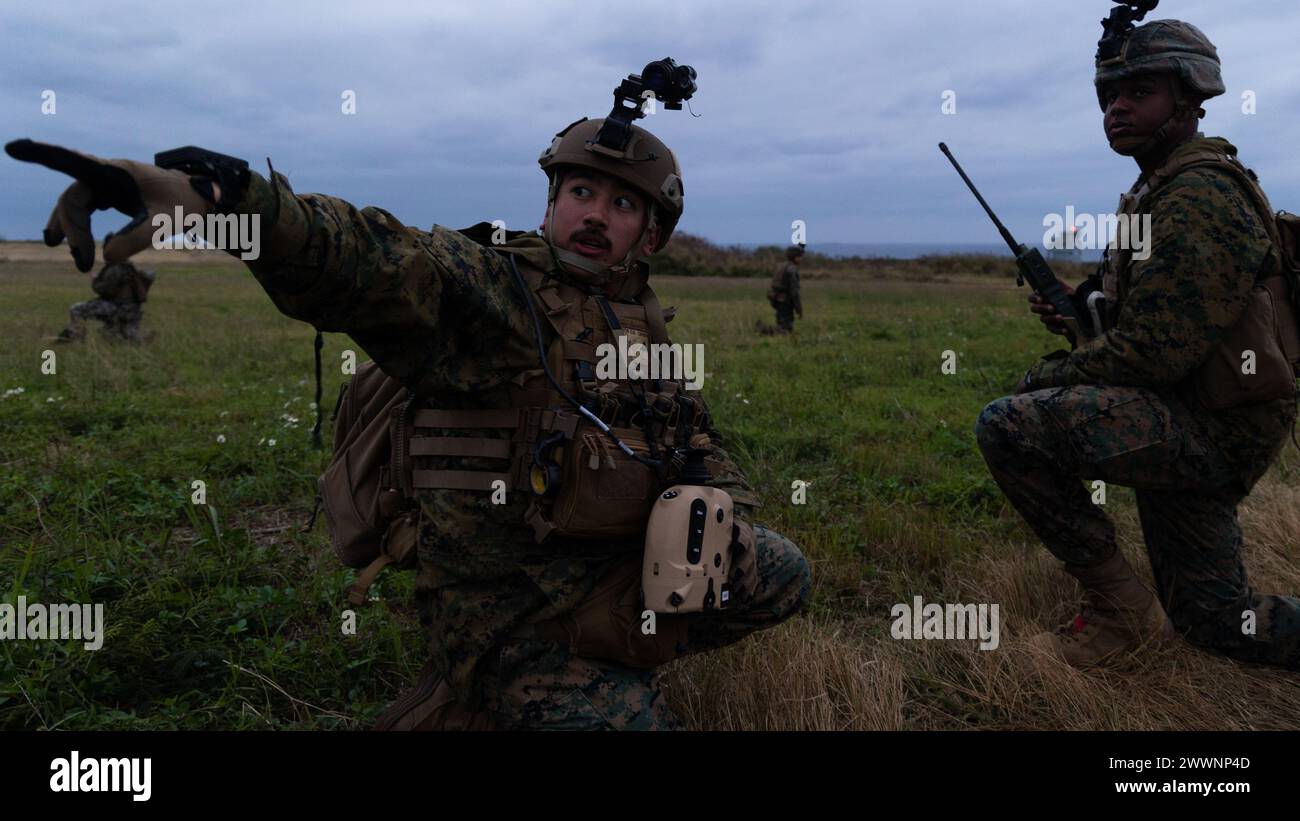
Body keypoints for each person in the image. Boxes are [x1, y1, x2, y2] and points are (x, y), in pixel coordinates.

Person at [7, 109, 812, 729]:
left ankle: (621, 653)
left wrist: (720, 513)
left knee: (782, 570)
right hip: (508, 611)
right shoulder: (494, 293)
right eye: (580, 192)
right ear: (552, 200)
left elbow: (694, 435)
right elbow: (371, 261)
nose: (595, 214)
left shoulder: (637, 318)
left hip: (603, 575)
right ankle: (478, 690)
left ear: (652, 231)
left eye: (621, 203)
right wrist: (233, 204)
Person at [974, 18, 1300, 669]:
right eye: (1107, 97)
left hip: (1210, 429)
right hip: (1198, 414)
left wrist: (1051, 373)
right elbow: (1143, 320)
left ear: (1187, 99)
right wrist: (1080, 309)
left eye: (1137, 92)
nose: (1116, 108)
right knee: (1216, 621)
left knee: (1010, 424)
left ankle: (1121, 614)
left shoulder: (1197, 196)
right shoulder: (1158, 190)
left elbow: (1154, 353)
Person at [56, 261, 154, 342]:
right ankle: (139, 341)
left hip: (116, 308)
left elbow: (104, 290)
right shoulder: (131, 269)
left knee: (76, 309)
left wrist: (95, 280)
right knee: (118, 335)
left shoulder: (115, 268)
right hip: (133, 310)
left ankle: (76, 336)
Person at [765, 244, 804, 333]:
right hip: (785, 301)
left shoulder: (781, 266)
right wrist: (799, 309)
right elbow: (794, 292)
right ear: (795, 258)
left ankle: (767, 331)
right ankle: (763, 330)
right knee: (786, 329)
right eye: (800, 257)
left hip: (776, 299)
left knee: (781, 323)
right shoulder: (792, 269)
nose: (801, 259)